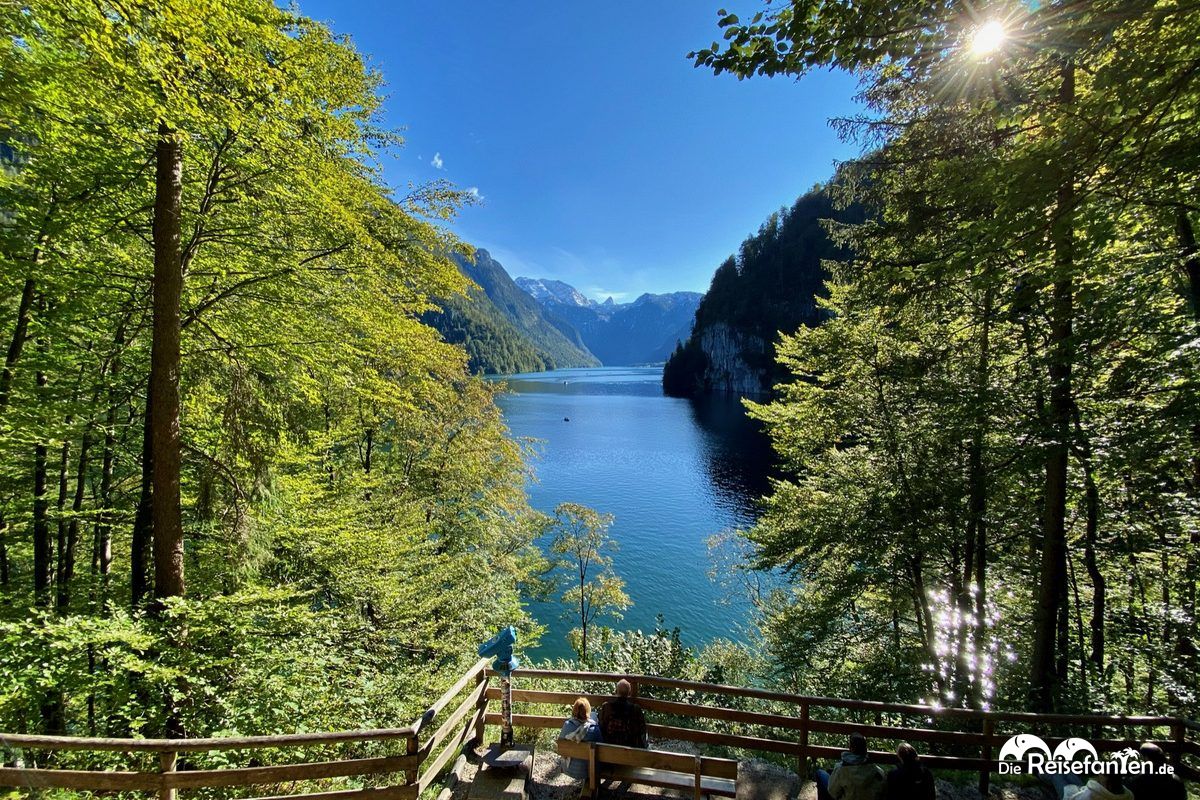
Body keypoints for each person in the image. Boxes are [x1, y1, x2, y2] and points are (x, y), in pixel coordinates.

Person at [816, 732, 886, 800]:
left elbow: (832, 791)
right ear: (865, 749)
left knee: (820, 773)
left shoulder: (841, 769)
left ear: (851, 748)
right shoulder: (877, 771)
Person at [558, 697, 601, 779]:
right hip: (589, 770)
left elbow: (561, 747)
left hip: (569, 769)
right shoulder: (594, 728)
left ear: (575, 710)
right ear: (588, 711)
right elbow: (601, 745)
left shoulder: (567, 725)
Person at [598, 678, 648, 748]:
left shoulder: (606, 707)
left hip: (608, 745)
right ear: (629, 693)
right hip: (629, 747)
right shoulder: (635, 709)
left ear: (616, 691)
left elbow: (600, 726)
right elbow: (642, 731)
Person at [1061, 772, 1132, 800]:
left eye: (1101, 773)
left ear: (1106, 778)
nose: (1098, 775)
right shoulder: (1128, 795)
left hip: (1069, 795)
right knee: (1067, 773)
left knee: (1055, 774)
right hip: (1082, 791)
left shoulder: (1090, 794)